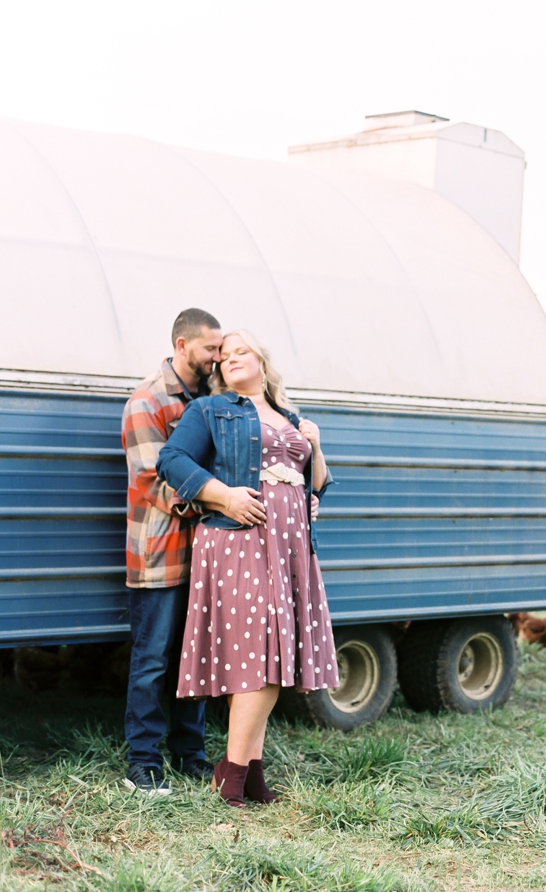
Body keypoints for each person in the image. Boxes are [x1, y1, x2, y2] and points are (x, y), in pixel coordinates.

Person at [156, 329, 338, 808]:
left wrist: (314, 457)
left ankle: (251, 774)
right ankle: (232, 772)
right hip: (239, 540)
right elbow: (170, 460)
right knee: (258, 653)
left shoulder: (292, 418)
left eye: (242, 351)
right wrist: (226, 496)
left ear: (261, 360)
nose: (232, 358)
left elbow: (319, 486)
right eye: (225, 355)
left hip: (290, 546)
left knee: (274, 657)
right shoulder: (211, 410)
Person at [121, 308, 223, 795]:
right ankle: (142, 761)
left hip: (205, 555)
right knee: (153, 661)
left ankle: (191, 755)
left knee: (196, 658)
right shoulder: (148, 400)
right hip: (160, 553)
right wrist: (215, 504)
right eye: (210, 349)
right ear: (183, 345)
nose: (216, 357)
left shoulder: (211, 401)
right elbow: (150, 482)